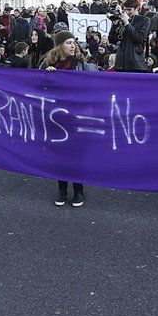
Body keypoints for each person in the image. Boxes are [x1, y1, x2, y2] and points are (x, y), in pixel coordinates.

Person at [40, 30, 97, 207]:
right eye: (68, 42)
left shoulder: (81, 64)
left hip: (76, 116)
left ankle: (78, 189)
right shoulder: (48, 63)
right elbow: (37, 86)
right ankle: (62, 188)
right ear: (59, 46)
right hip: (56, 117)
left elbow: (95, 81)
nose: (73, 46)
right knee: (59, 154)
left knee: (76, 153)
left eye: (74, 42)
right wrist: (46, 76)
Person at [108, 0, 152, 72]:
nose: (127, 12)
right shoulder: (122, 20)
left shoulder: (145, 20)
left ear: (137, 8)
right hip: (121, 63)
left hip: (135, 63)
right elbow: (112, 40)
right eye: (125, 9)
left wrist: (127, 23)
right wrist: (114, 24)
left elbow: (139, 38)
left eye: (129, 9)